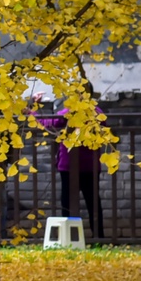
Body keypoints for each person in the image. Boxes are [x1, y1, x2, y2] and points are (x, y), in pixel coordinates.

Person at [34, 98, 105, 240]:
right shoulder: (96, 112)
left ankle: (67, 238)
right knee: (93, 203)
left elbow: (49, 124)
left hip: (69, 166)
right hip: (90, 165)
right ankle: (99, 237)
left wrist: (33, 113)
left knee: (67, 203)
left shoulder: (70, 111)